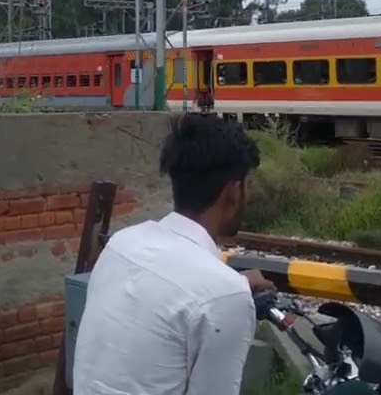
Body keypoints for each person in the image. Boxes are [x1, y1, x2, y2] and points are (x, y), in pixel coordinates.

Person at [71, 113, 272, 394]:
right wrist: (232, 291)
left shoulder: (121, 245)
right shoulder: (224, 296)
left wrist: (236, 285)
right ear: (234, 191)